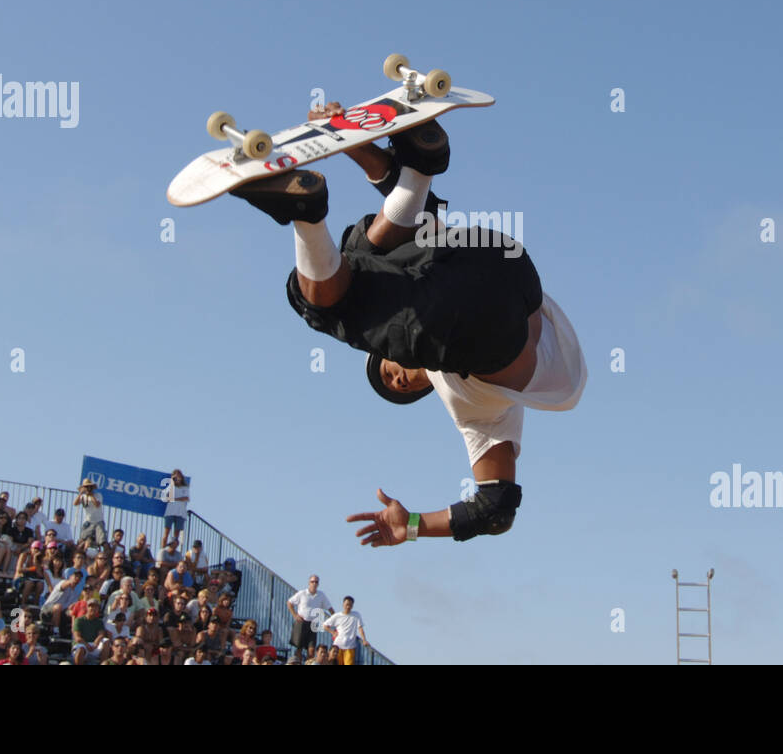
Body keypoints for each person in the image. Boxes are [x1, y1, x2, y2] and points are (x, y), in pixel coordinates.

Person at [226, 110, 587, 547]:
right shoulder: (481, 419)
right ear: (420, 392)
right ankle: (312, 210)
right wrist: (411, 525)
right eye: (398, 386)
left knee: (361, 262)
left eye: (386, 373)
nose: (396, 377)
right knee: (330, 304)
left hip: (489, 258)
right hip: (499, 294)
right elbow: (496, 510)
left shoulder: (427, 326)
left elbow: (420, 217)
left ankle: (411, 168)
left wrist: (345, 138)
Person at [287, 575, 333, 662]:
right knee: (299, 648)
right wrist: (295, 615)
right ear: (309, 583)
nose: (314, 583)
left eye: (316, 582)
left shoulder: (321, 595)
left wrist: (336, 620)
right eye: (312, 581)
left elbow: (330, 608)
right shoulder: (302, 593)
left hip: (313, 624)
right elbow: (289, 603)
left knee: (311, 650)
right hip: (301, 623)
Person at [322, 596, 368, 665]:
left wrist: (364, 639)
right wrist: (332, 632)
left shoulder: (356, 615)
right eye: (347, 604)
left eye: (350, 605)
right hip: (338, 646)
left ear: (352, 606)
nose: (348, 607)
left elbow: (360, 628)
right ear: (343, 604)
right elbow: (325, 625)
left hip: (350, 646)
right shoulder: (337, 616)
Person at [74, 480, 106, 548]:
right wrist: (80, 494)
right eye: (86, 487)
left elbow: (97, 505)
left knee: (103, 541)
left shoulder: (98, 495)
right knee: (81, 540)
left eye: (89, 487)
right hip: (88, 521)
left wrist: (91, 495)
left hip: (98, 521)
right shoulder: (83, 497)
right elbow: (75, 503)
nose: (88, 488)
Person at [162, 470, 189, 547]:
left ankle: (173, 550)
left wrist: (174, 499)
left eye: (179, 476)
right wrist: (172, 484)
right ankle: (163, 549)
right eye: (175, 476)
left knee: (176, 536)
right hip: (170, 512)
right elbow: (165, 498)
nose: (177, 478)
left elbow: (186, 498)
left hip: (180, 513)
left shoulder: (185, 488)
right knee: (166, 533)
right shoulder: (170, 487)